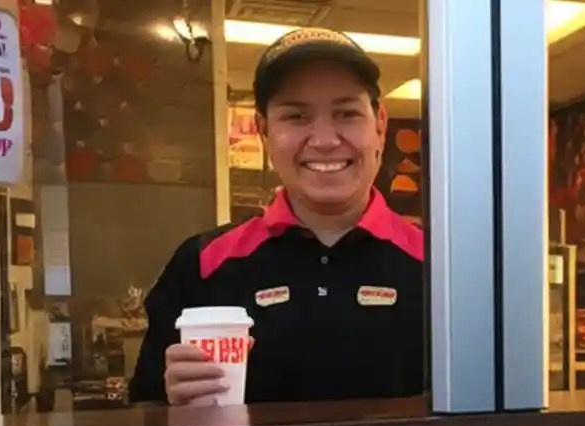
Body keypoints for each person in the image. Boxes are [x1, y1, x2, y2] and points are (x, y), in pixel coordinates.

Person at [129, 28, 425, 406]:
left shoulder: (438, 268)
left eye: (347, 113)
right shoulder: (203, 264)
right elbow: (144, 416)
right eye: (297, 116)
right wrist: (169, 404)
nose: (324, 139)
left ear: (380, 125)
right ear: (264, 131)